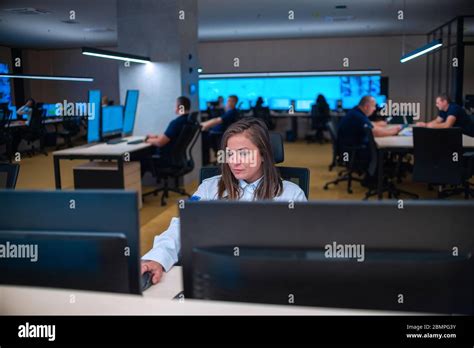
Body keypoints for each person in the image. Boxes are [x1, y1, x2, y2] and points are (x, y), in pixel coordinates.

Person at [141, 118, 307, 284]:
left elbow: (301, 248)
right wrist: (158, 258)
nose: (234, 161)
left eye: (244, 153)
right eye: (230, 154)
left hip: (267, 279)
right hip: (216, 276)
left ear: (263, 154)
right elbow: (183, 227)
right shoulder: (210, 188)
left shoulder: (291, 195)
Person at [338, 96, 402, 167]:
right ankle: (378, 171)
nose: (374, 109)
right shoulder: (358, 116)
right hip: (353, 150)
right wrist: (394, 131)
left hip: (349, 146)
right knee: (379, 149)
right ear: (366, 107)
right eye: (373, 106)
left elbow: (370, 124)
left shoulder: (356, 112)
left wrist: (382, 125)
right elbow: (374, 132)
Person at [142, 96, 192, 169]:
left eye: (176, 106)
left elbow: (160, 143)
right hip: (178, 159)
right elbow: (171, 137)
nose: (175, 108)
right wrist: (156, 136)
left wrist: (146, 140)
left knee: (140, 159)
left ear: (180, 107)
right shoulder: (188, 121)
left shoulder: (176, 123)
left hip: (165, 160)